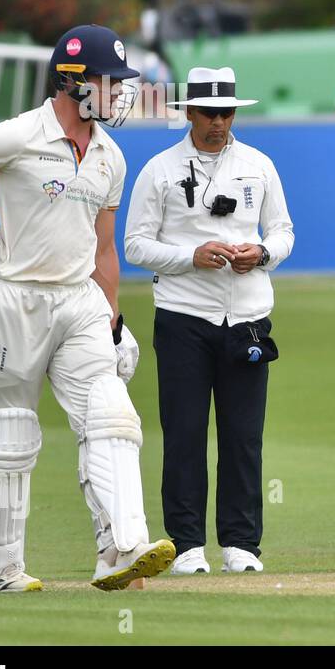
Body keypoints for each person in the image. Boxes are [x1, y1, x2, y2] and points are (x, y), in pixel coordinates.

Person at [0, 24, 174, 592]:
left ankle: (121, 548)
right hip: (16, 299)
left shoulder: (111, 156)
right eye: (109, 83)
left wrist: (113, 323)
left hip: (80, 301)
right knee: (9, 435)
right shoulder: (19, 134)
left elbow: (105, 248)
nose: (118, 94)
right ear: (73, 80)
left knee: (110, 411)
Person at [124, 66, 294, 574]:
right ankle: (187, 544)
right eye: (209, 113)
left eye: (227, 113)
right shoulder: (159, 168)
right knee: (184, 433)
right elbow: (135, 244)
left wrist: (260, 253)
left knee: (243, 435)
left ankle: (241, 545)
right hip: (182, 316)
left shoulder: (259, 164)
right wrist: (190, 256)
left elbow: (283, 231)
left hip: (246, 316)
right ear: (189, 113)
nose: (219, 122)